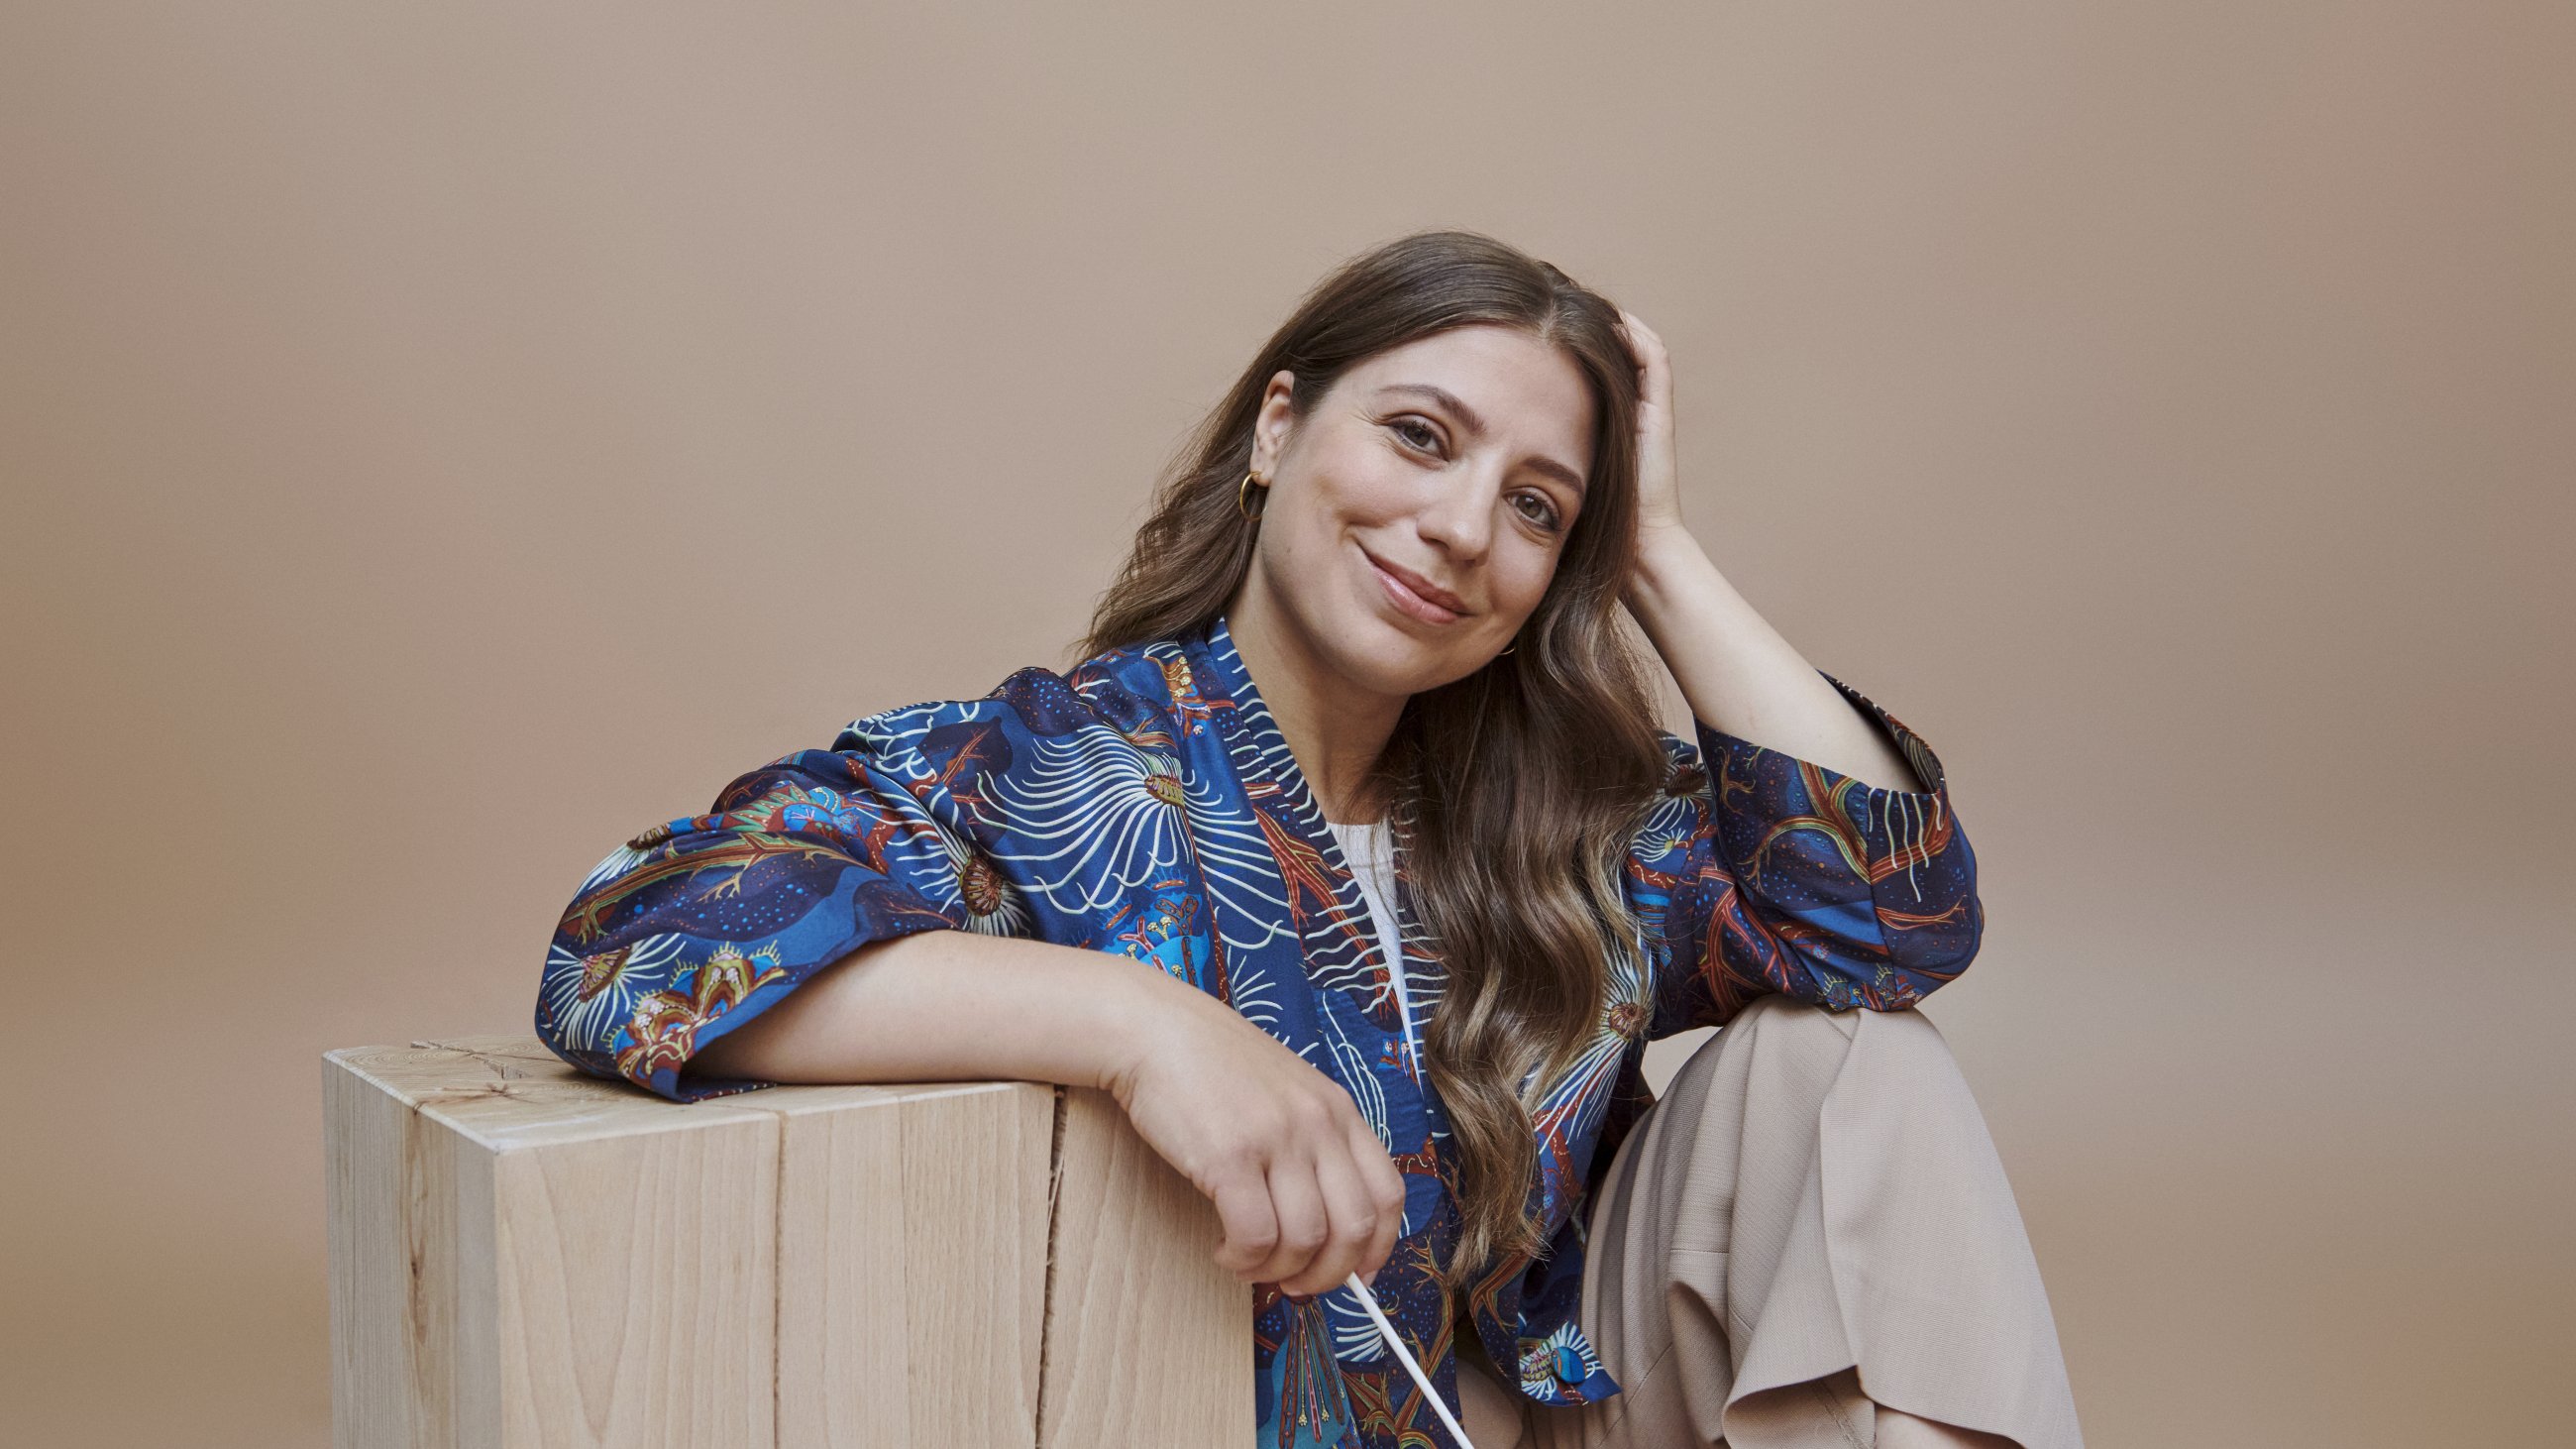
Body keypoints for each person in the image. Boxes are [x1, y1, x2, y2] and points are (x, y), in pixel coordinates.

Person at [534, 230, 2083, 1449]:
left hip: (1563, 1422)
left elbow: (1886, 922)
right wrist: (1139, 1025)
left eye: (1539, 508)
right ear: (1279, 426)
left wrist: (1655, 551)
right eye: (1421, 436)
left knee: (1854, 1067)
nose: (1466, 527)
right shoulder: (1051, 771)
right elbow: (633, 945)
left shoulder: (1565, 832)